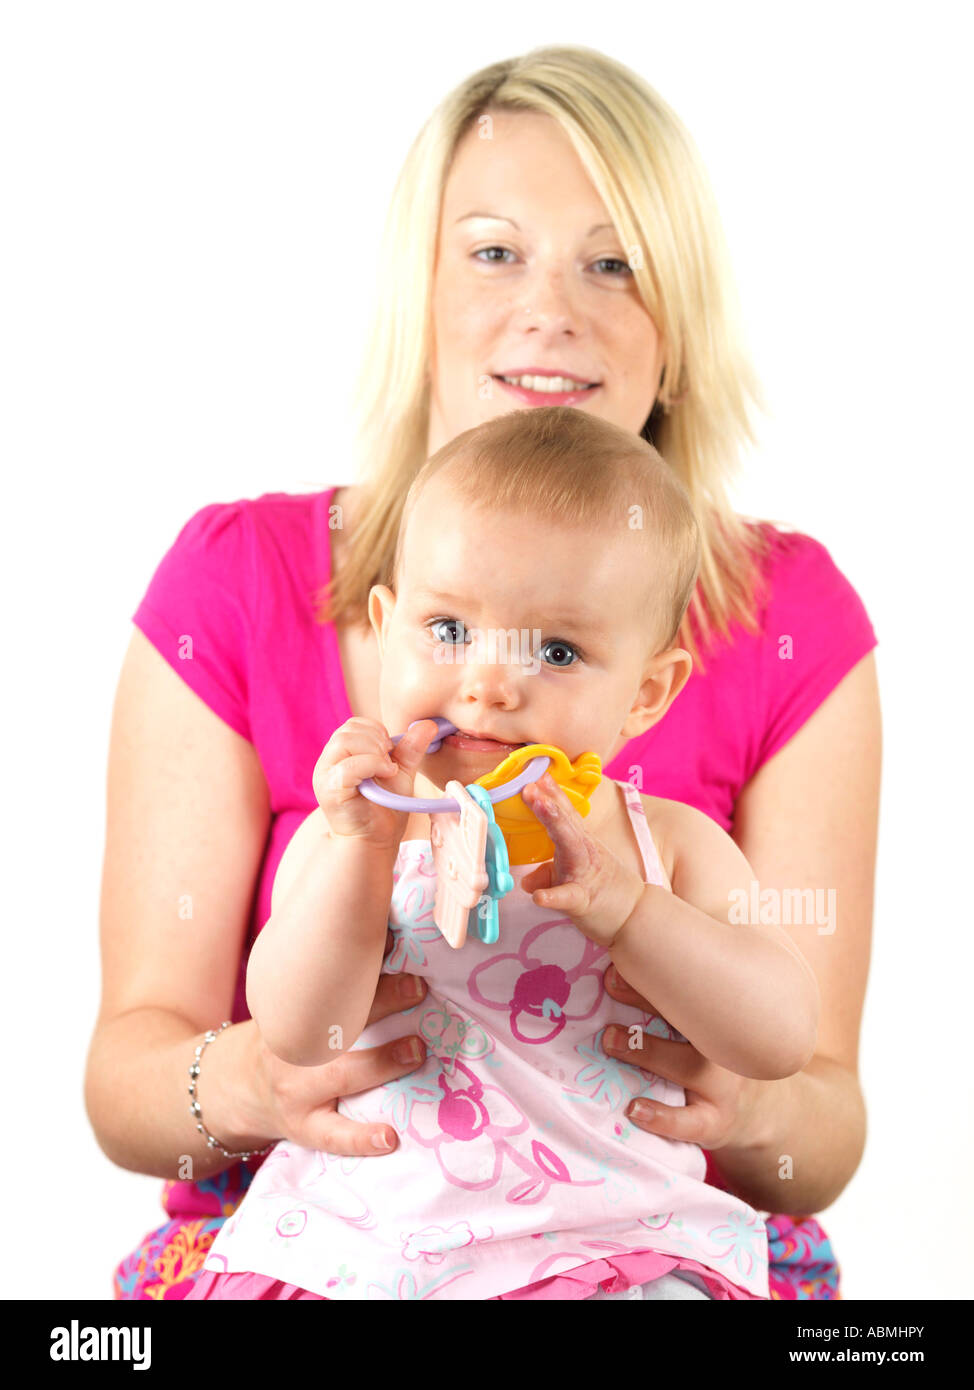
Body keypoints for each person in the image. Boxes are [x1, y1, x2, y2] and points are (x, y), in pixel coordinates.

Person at [89, 44, 879, 1302]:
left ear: (652, 692)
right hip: (343, 1227)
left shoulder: (742, 705)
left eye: (613, 260)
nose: (551, 307)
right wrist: (260, 1075)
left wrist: (735, 1088)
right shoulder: (244, 597)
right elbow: (147, 1066)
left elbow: (813, 1099)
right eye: (494, 250)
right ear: (423, 297)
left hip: (631, 1230)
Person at [186, 407, 820, 1301]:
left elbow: (782, 1034)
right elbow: (298, 1030)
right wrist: (362, 857)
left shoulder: (667, 845)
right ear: (387, 624)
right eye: (448, 630)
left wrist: (630, 911)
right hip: (366, 1252)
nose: (489, 681)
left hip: (610, 1247)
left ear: (645, 692)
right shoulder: (353, 834)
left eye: (556, 650)